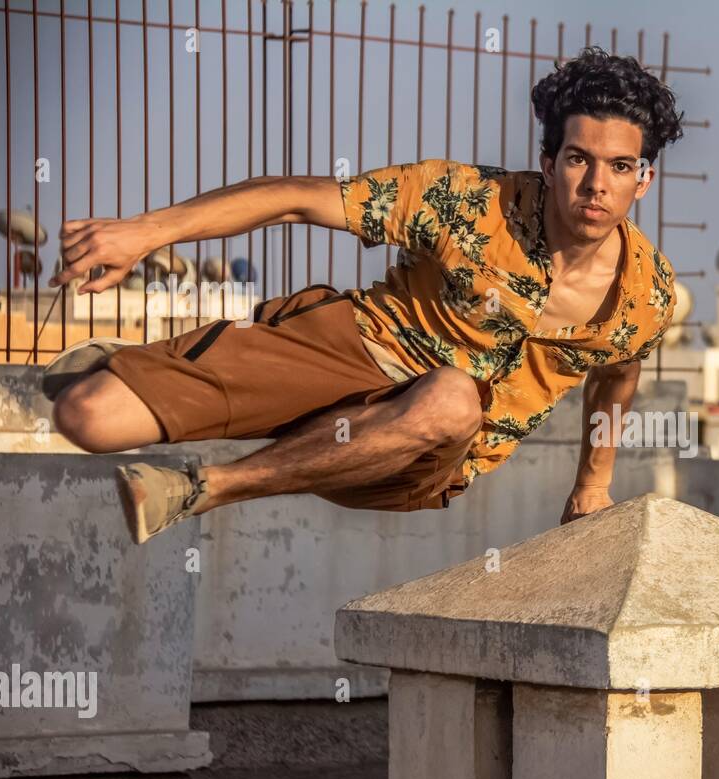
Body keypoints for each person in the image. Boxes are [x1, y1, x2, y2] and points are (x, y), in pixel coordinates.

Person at [43, 47, 684, 544]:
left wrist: (592, 485)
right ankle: (147, 363)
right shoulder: (465, 201)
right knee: (86, 418)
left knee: (453, 398)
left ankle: (203, 487)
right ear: (549, 163)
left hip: (423, 460)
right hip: (352, 349)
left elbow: (617, 373)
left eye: (620, 166)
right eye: (578, 159)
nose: (596, 184)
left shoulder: (646, 296)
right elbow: (296, 199)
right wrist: (144, 233)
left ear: (645, 179)